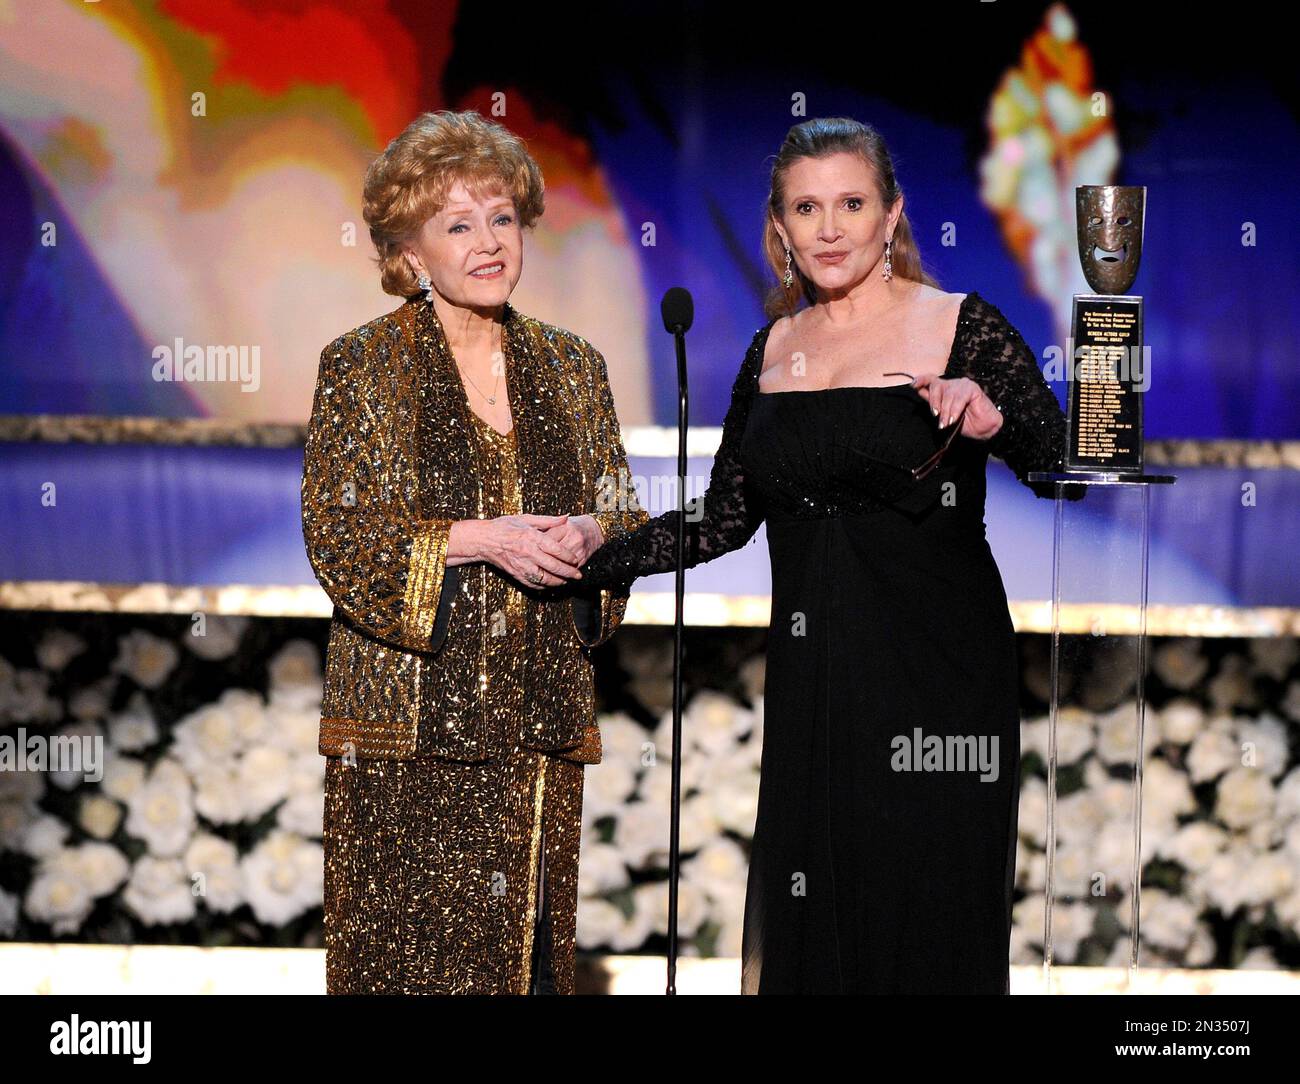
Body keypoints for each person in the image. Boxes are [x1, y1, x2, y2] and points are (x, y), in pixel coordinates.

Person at [575, 117, 1079, 993]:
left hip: (939, 679)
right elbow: (723, 518)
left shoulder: (963, 326)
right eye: (807, 208)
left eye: (852, 203)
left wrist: (998, 424)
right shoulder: (771, 352)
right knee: (818, 903)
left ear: (892, 217)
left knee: (924, 906)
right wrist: (599, 552)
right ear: (780, 228)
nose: (831, 227)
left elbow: (1064, 469)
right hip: (816, 682)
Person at [301, 110, 647, 994]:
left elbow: (622, 513)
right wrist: (475, 540)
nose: (489, 242)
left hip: (535, 722)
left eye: (501, 217)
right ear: (411, 253)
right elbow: (341, 532)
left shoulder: (574, 366)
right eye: (458, 224)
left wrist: (595, 537)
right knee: (402, 965)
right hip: (404, 731)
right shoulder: (363, 365)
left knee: (520, 964)